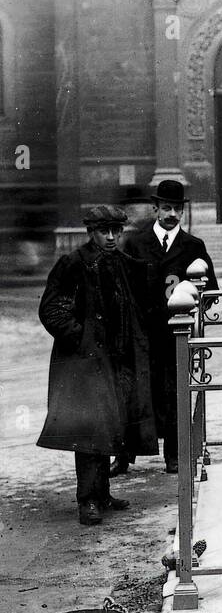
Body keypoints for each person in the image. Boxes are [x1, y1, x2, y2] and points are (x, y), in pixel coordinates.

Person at [37, 205, 160, 526]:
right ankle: (88, 500)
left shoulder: (122, 263)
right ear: (90, 232)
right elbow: (52, 311)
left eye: (116, 231)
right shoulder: (73, 264)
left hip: (118, 360)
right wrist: (81, 338)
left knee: (111, 424)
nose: (110, 237)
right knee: (90, 430)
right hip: (86, 362)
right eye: (104, 231)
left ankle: (103, 493)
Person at [122, 180, 219, 475]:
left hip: (175, 334)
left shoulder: (193, 246)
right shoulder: (136, 242)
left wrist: (192, 302)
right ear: (155, 208)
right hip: (140, 333)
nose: (172, 214)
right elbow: (124, 287)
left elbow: (210, 291)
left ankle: (174, 456)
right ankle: (124, 455)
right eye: (166, 208)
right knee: (134, 392)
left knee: (174, 393)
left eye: (177, 208)